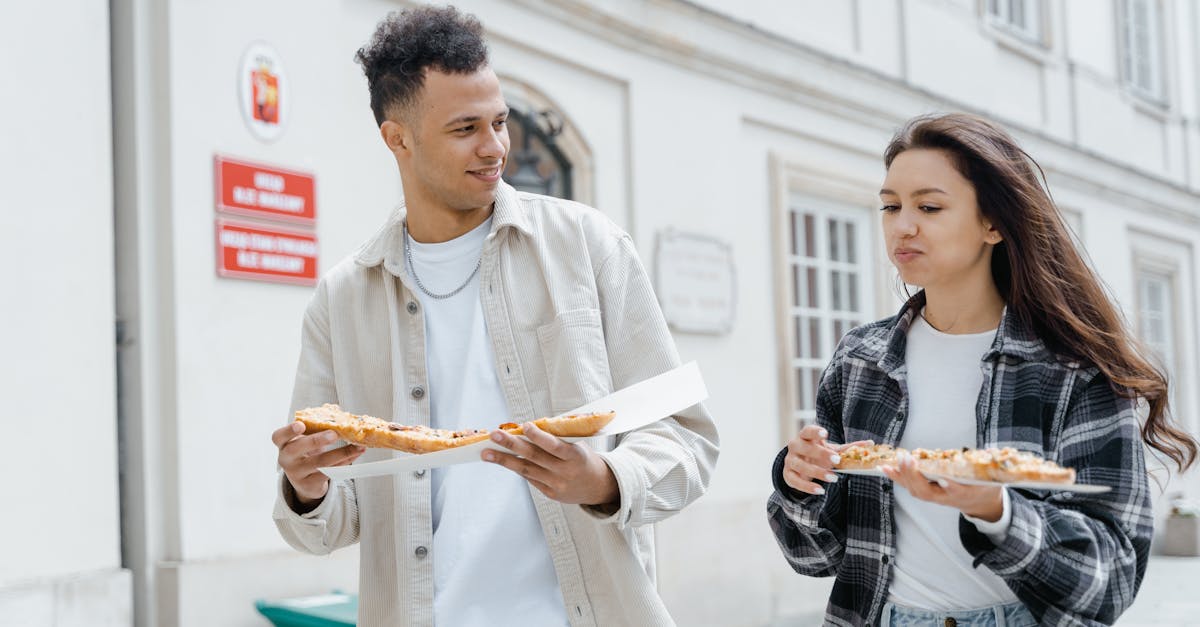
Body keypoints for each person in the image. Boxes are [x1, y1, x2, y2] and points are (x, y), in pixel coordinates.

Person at [270, 7, 719, 626]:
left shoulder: (588, 246)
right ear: (397, 138)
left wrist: (606, 479)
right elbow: (331, 525)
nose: (496, 147)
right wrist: (306, 486)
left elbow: (687, 437)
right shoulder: (344, 298)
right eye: (465, 129)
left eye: (500, 121)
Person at [767, 112, 1198, 626]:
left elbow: (1111, 581)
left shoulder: (1072, 369)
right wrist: (800, 483)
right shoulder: (861, 360)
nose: (903, 225)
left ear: (993, 223)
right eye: (890, 206)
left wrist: (999, 511)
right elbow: (815, 559)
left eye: (929, 206)